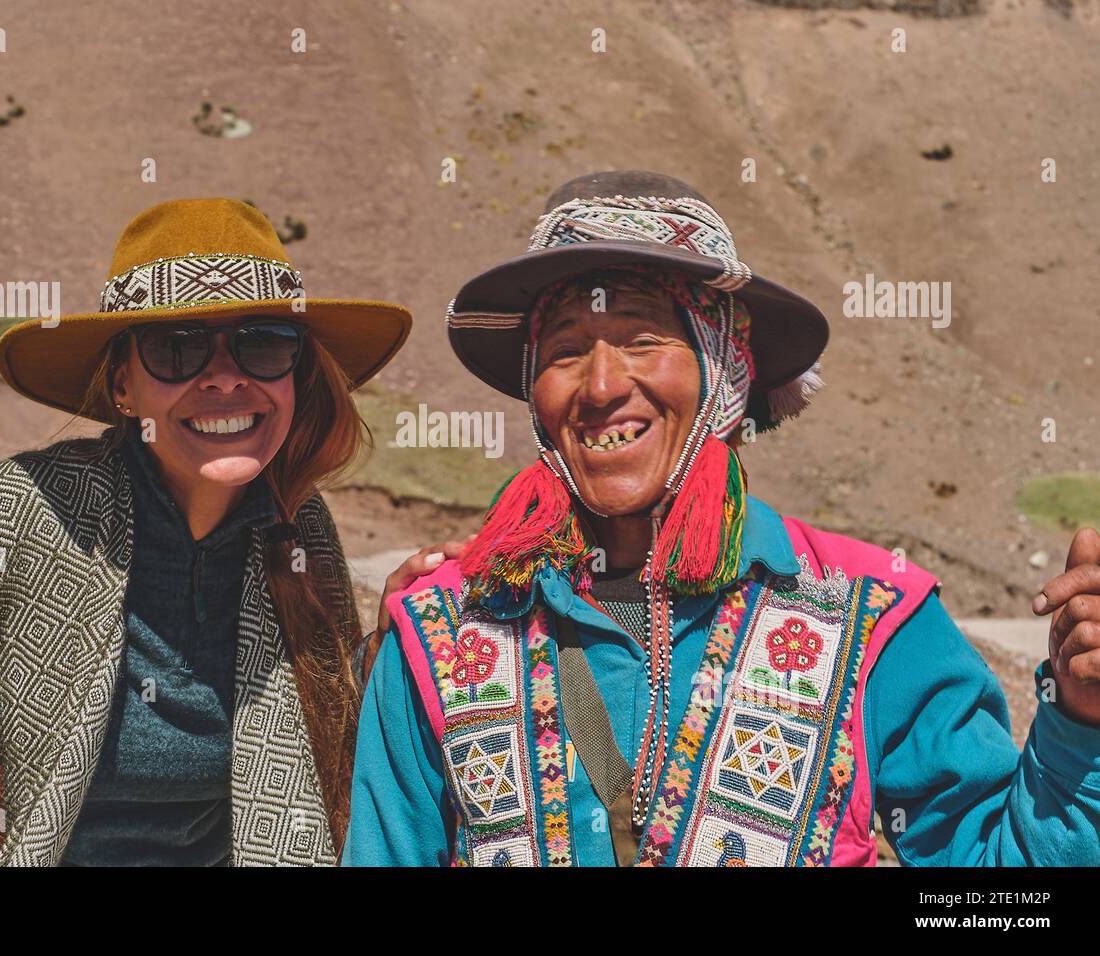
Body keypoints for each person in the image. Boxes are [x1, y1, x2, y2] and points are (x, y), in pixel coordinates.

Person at [343, 170, 1100, 867]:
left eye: (643, 339)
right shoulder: (443, 629)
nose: (602, 385)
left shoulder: (872, 617)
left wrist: (1082, 718)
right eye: (566, 351)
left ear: (724, 372)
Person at [0, 197, 412, 865]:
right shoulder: (18, 512)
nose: (225, 378)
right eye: (176, 347)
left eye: (263, 343)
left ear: (296, 373)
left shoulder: (299, 530)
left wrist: (387, 655)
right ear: (123, 387)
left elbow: (325, 749)